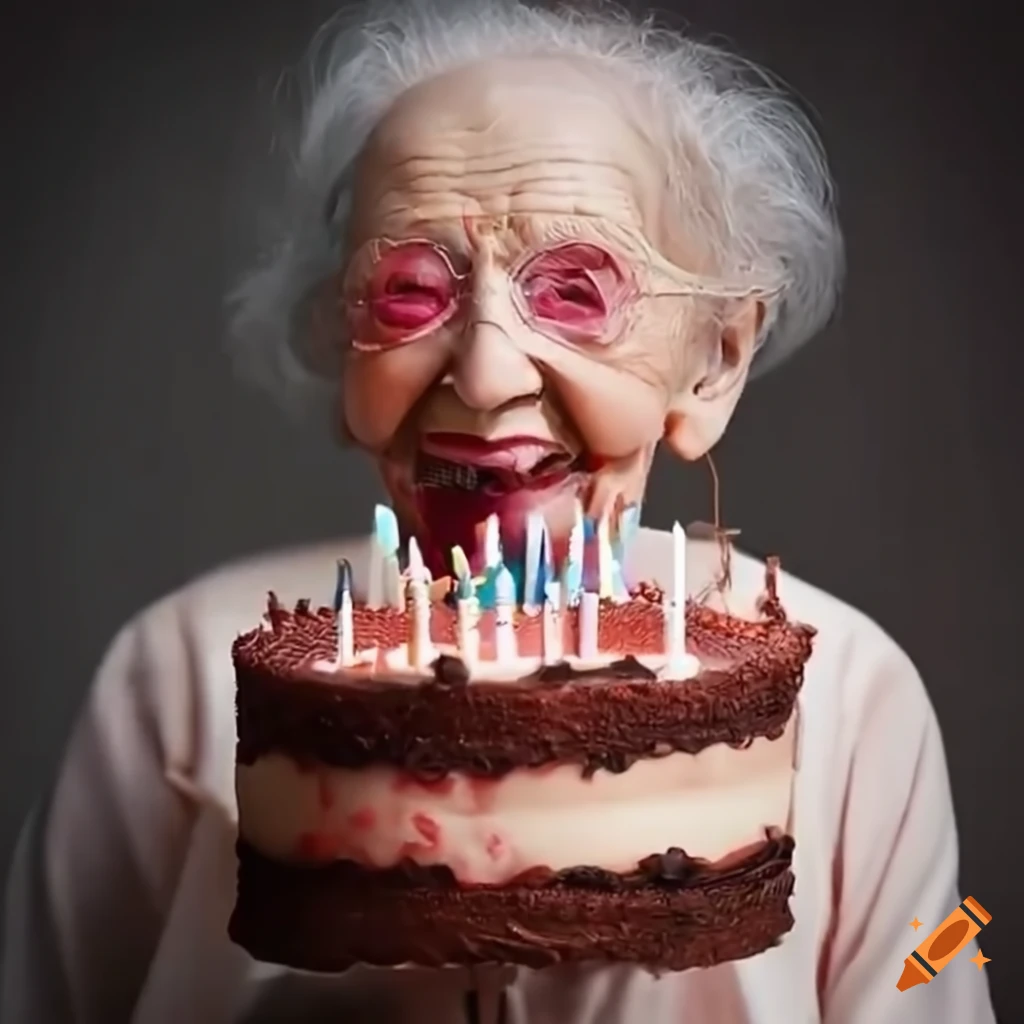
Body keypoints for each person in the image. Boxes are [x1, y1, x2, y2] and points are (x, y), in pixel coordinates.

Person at [0, 1, 998, 1021]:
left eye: (574, 292)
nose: (482, 375)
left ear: (714, 361)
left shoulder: (848, 692)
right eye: (407, 292)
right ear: (342, 349)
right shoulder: (178, 677)